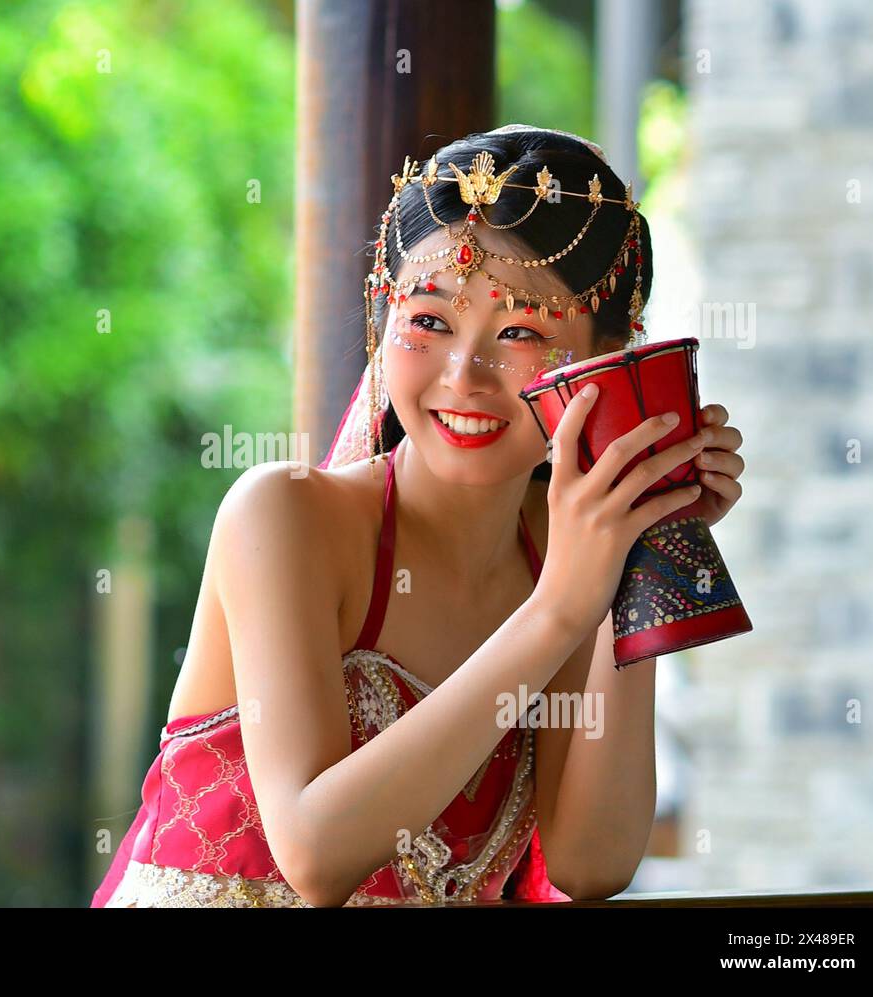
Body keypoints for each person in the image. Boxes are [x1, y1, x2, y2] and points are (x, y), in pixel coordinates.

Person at [90, 124, 745, 907]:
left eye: (522, 333)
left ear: (611, 355)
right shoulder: (282, 516)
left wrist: (643, 546)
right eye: (429, 321)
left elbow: (591, 861)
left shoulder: (564, 550)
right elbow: (316, 850)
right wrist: (562, 606)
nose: (464, 375)